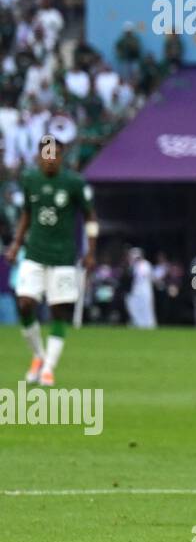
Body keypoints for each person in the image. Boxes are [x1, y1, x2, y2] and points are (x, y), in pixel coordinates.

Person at [4, 136, 97, 385]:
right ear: (39, 156)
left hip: (64, 257)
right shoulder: (30, 179)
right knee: (24, 303)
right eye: (46, 154)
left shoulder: (74, 183)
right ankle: (39, 356)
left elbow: (90, 218)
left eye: (54, 154)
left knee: (59, 312)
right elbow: (26, 214)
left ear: (61, 156)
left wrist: (91, 252)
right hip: (35, 253)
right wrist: (16, 244)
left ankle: (48, 368)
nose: (50, 159)